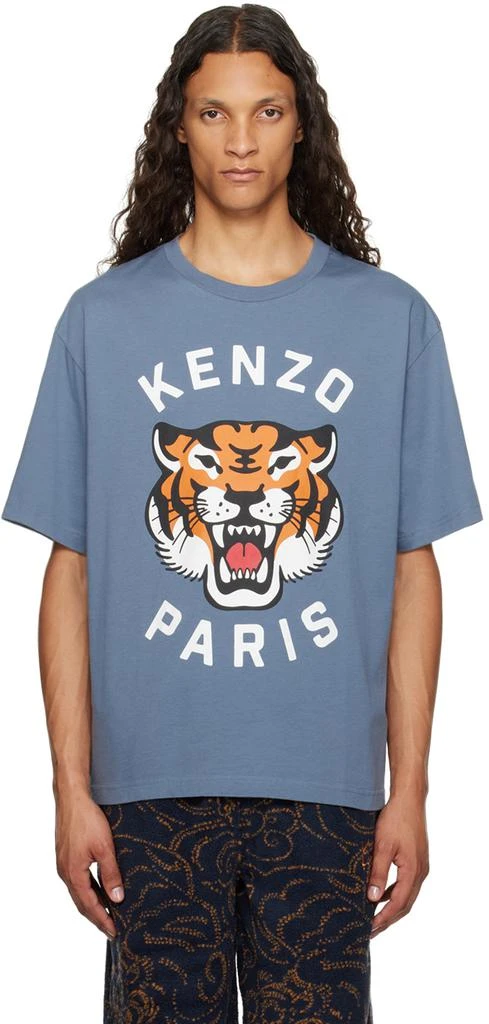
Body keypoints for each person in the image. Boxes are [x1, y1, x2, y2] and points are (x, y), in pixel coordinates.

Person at [1, 5, 483, 1022]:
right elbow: (70, 567)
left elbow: (412, 566)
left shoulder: (391, 320)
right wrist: (70, 789)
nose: (240, 140)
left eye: (266, 111)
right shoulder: (104, 320)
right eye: (213, 112)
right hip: (146, 789)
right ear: (178, 127)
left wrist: (409, 789)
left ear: (302, 122)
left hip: (327, 790)